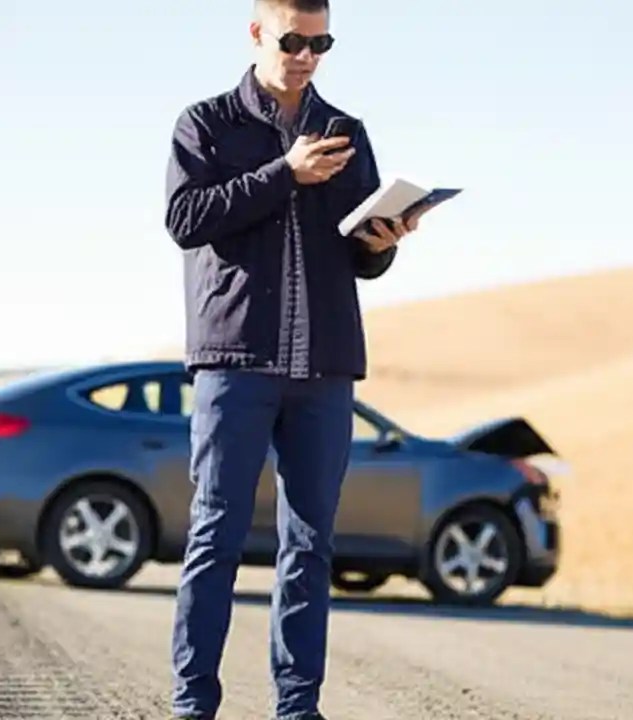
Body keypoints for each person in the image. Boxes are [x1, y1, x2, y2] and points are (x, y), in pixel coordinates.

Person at [163, 1, 426, 718]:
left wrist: (383, 242)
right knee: (216, 533)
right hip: (234, 361)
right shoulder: (206, 124)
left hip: (325, 366)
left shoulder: (346, 131)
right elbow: (186, 220)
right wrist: (285, 172)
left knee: (310, 545)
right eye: (293, 41)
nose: (307, 56)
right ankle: (193, 704)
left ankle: (298, 707)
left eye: (321, 43)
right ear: (257, 34)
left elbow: (360, 260)